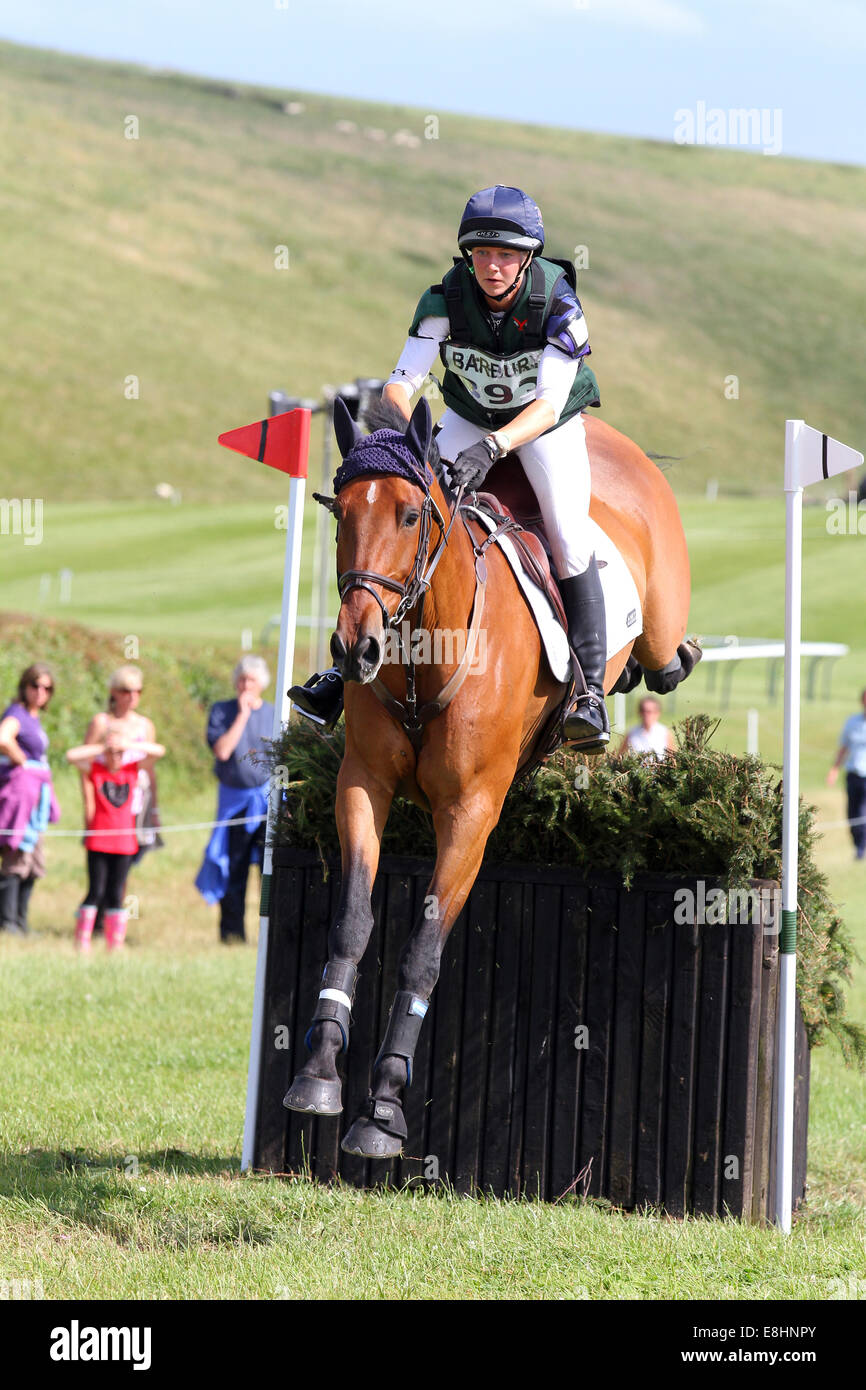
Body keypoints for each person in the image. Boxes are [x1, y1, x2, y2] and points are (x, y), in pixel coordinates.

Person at [290, 184, 609, 749]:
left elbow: (548, 405)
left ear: (528, 258)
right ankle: (344, 673)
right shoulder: (443, 299)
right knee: (407, 516)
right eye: (481, 254)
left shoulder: (559, 305)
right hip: (466, 414)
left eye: (506, 255)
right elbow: (405, 380)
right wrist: (387, 440)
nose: (492, 266)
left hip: (543, 426)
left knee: (568, 538)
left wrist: (491, 449)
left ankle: (588, 693)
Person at [195, 657, 274, 942]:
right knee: (233, 868)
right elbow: (223, 752)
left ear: (261, 684)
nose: (245, 686)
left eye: (251, 680)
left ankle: (269, 934)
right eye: (241, 680)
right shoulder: (222, 711)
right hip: (235, 806)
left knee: (269, 872)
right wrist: (241, 715)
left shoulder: (273, 713)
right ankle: (232, 934)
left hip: (266, 805)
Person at [66, 731, 166, 951]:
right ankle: (82, 941)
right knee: (96, 890)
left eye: (120, 753)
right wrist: (103, 747)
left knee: (116, 891)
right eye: (113, 753)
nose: (116, 756)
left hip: (124, 842)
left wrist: (128, 743)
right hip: (99, 841)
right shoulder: (97, 770)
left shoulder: (132, 770)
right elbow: (71, 756)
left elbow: (160, 751)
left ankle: (115, 944)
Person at [82, 666, 163, 934]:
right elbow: (84, 763)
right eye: (126, 690)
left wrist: (155, 809)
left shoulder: (144, 725)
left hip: (136, 801)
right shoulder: (101, 722)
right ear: (114, 692)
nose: (131, 696)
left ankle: (113, 919)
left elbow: (151, 768)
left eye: (137, 691)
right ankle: (97, 919)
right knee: (102, 865)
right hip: (107, 802)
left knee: (125, 864)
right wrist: (89, 806)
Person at [0, 664, 60, 935]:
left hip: (35, 796)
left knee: (33, 861)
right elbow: (3, 738)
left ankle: (21, 922)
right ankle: (8, 922)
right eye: (35, 685)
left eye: (46, 687)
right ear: (25, 686)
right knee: (17, 855)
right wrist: (21, 760)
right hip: (19, 795)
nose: (40, 692)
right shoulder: (18, 713)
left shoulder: (33, 717)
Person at [827, 688, 866, 860]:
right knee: (852, 813)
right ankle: (858, 844)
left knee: (863, 811)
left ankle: (861, 848)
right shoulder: (852, 722)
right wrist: (834, 769)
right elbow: (844, 748)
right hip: (853, 774)